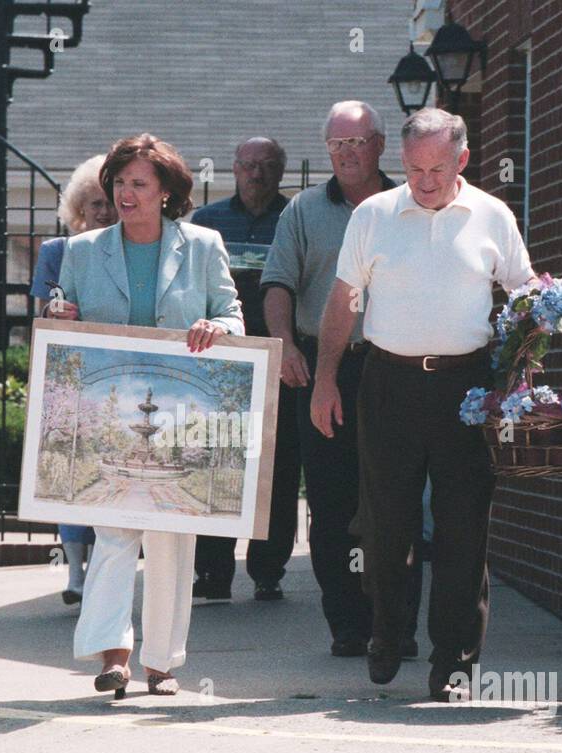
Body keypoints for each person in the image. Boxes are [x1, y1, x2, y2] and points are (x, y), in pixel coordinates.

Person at [312, 107, 537, 701]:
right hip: (389, 385)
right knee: (387, 525)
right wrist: (325, 379)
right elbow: (343, 302)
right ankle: (387, 636)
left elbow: (525, 296)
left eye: (438, 168)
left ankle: (456, 661)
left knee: (465, 529)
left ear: (462, 160)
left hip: (468, 388)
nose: (426, 181)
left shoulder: (493, 215)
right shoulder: (373, 215)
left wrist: (526, 367)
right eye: (414, 169)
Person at [51, 133, 244, 698]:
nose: (125, 193)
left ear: (166, 191)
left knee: (170, 536)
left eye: (139, 183)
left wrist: (219, 328)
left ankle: (163, 665)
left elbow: (232, 312)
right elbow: (65, 320)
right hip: (110, 411)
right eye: (119, 183)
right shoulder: (84, 250)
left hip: (181, 409)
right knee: (112, 530)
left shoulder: (204, 245)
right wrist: (59, 312)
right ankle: (115, 656)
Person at [260, 101, 424, 657]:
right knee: (331, 504)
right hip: (323, 368)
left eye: (358, 143)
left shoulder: (413, 205)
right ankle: (349, 626)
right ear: (326, 149)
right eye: (337, 145)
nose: (347, 154)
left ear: (380, 146)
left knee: (395, 501)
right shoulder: (303, 212)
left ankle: (397, 625)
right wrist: (284, 345)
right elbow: (278, 284)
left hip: (396, 367)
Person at [190, 136, 297, 602]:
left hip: (279, 355)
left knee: (278, 465)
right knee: (215, 461)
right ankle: (212, 572)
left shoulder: (293, 218)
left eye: (268, 166)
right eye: (249, 165)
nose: (257, 174)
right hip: (220, 359)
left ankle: (268, 570)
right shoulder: (208, 221)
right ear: (233, 169)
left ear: (280, 172)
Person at [30, 154, 116, 605]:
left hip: (112, 381)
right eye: (95, 203)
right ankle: (76, 572)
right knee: (68, 475)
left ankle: (101, 568)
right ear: (79, 208)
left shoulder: (127, 252)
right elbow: (41, 314)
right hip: (69, 376)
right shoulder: (56, 252)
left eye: (110, 202)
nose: (104, 212)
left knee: (105, 476)